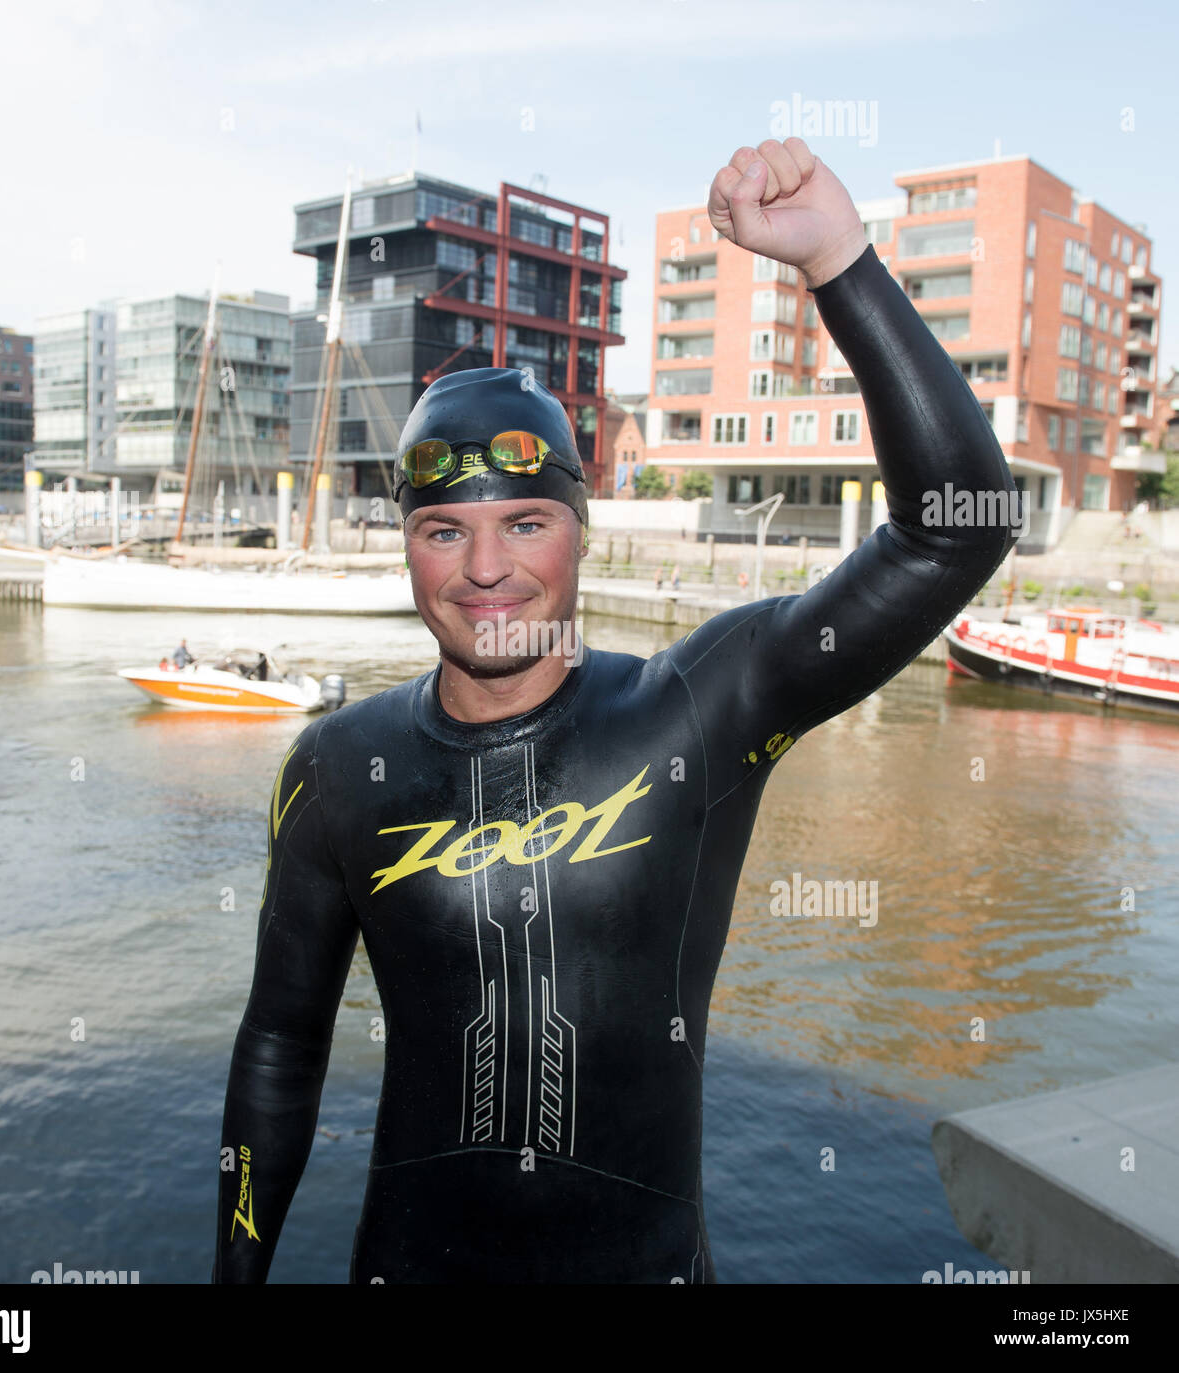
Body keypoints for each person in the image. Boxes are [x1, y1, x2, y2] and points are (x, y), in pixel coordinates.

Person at [212, 136, 1018, 1284]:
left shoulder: (698, 709)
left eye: (525, 523)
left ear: (583, 531)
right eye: (445, 530)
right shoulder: (340, 763)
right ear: (404, 545)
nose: (485, 569)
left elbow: (960, 525)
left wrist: (838, 257)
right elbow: (280, 1047)